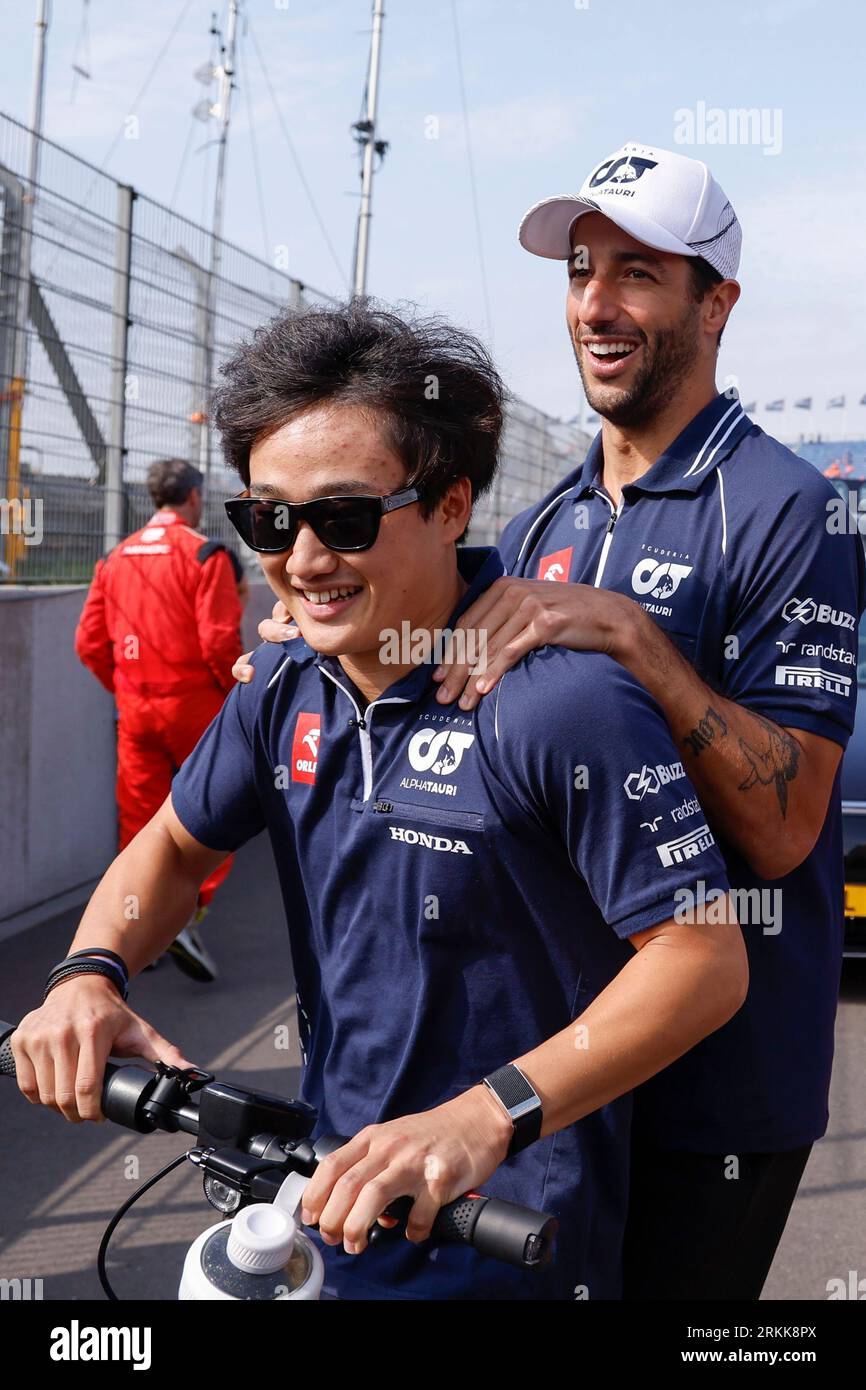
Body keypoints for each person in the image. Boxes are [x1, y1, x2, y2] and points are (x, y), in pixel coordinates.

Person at [13, 301, 747, 1301]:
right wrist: (88, 975)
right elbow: (175, 848)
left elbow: (702, 960)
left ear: (450, 504)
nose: (303, 559)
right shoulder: (282, 681)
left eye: (345, 517)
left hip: (505, 1232)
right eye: (268, 519)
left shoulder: (558, 702)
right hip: (325, 1209)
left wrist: (483, 1117)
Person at [394, 142, 866, 1298]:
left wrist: (635, 642)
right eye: (578, 270)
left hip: (716, 1083)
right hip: (560, 1069)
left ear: (716, 303)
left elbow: (786, 828)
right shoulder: (550, 509)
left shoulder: (786, 510)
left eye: (637, 273)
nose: (595, 305)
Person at [74, 457, 245, 984]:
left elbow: (88, 642)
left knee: (140, 825)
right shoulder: (204, 553)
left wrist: (126, 687)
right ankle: (185, 919)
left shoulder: (114, 557)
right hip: (194, 705)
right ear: (194, 498)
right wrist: (232, 697)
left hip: (136, 707)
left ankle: (138, 931)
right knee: (215, 818)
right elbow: (219, 643)